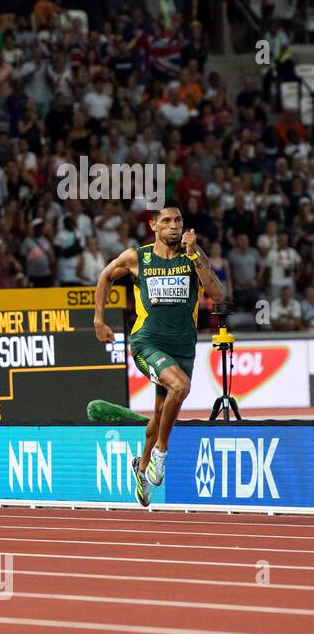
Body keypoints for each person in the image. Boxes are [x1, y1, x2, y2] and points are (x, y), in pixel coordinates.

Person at [94, 205, 224, 506]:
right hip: (146, 342)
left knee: (161, 411)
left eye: (178, 220)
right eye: (167, 221)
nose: (174, 226)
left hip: (182, 346)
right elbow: (105, 276)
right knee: (180, 387)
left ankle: (140, 467)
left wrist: (196, 256)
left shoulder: (192, 256)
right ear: (154, 226)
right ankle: (160, 454)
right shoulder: (137, 257)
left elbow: (216, 294)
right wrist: (99, 320)